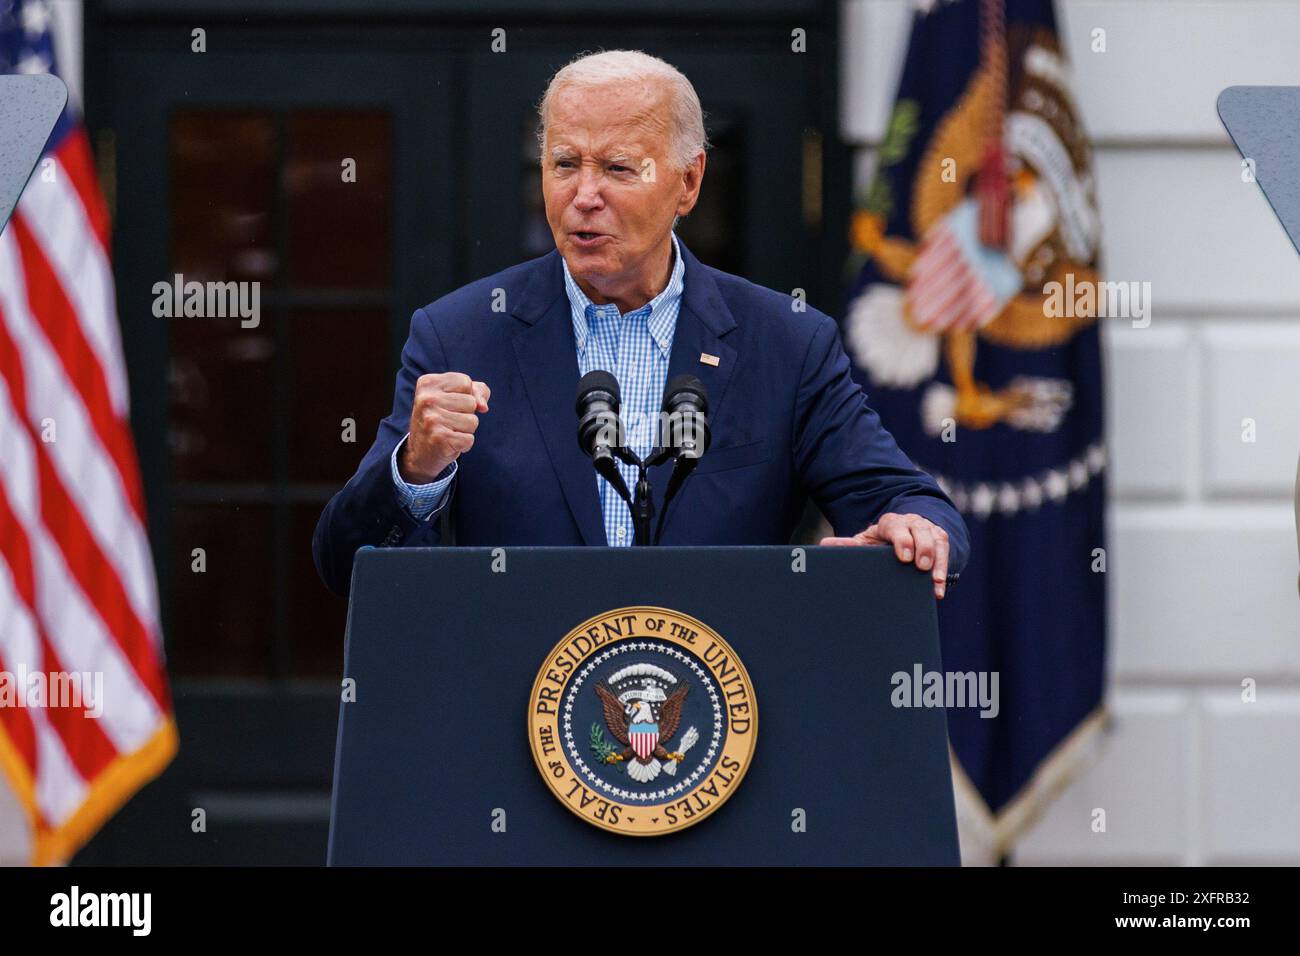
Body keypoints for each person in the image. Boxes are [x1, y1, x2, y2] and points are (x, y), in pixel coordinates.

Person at [313, 49, 969, 598]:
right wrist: (417, 471)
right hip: (525, 717)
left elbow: (912, 501)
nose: (583, 194)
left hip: (722, 721)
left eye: (618, 168)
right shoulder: (461, 335)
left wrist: (910, 526)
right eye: (564, 163)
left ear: (688, 182)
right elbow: (347, 562)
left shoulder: (788, 343)